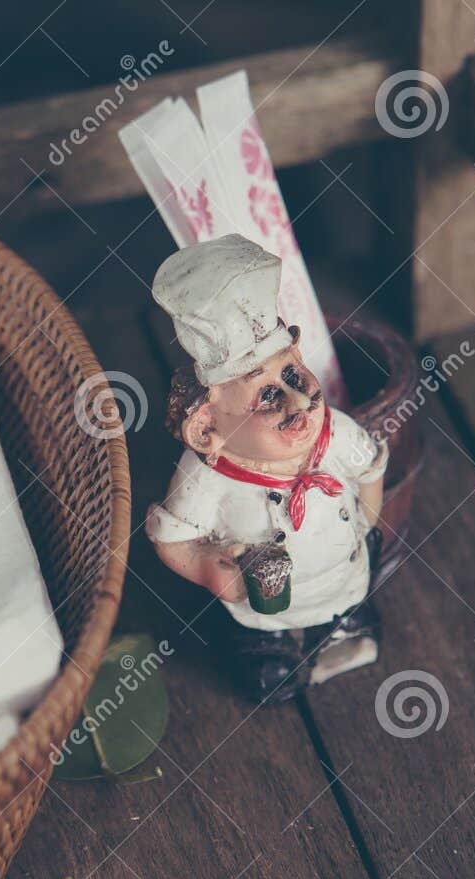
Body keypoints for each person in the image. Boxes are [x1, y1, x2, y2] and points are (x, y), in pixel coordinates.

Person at [146, 235, 386, 703]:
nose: (299, 402)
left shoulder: (333, 432)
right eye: (269, 395)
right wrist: (214, 574)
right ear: (206, 427)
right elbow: (169, 538)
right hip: (264, 612)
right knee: (267, 678)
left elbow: (371, 470)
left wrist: (367, 525)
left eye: (293, 377)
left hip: (343, 581)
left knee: (358, 627)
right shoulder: (207, 475)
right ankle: (278, 650)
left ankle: (338, 633)